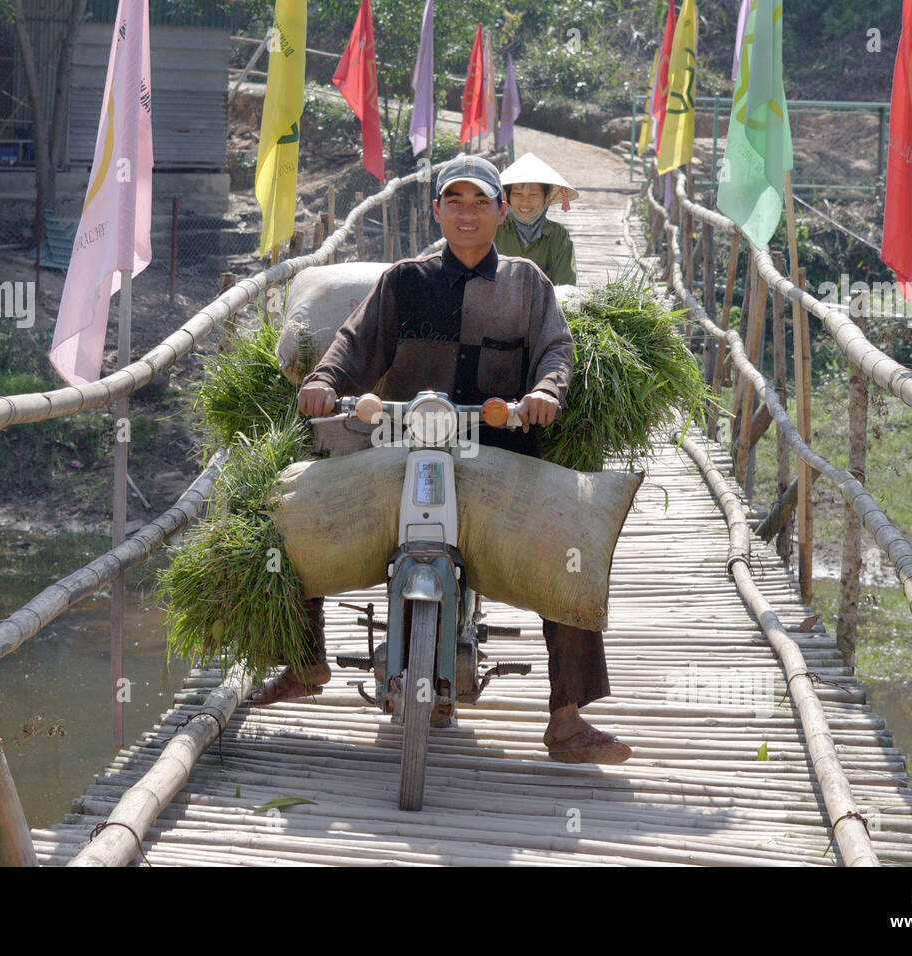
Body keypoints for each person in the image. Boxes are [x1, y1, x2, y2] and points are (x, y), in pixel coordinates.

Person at [247, 154, 630, 766]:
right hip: (402, 451)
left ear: (501, 212)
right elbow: (351, 346)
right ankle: (305, 659)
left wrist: (542, 395)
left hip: (496, 460)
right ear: (437, 212)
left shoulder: (528, 285)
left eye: (481, 202)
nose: (468, 214)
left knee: (571, 542)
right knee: (292, 511)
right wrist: (322, 382)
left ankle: (566, 719)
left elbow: (557, 352)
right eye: (455, 202)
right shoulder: (404, 280)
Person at [492, 153, 579, 287]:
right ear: (507, 197)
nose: (524, 201)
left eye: (533, 194)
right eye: (517, 194)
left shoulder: (558, 235)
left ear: (546, 198)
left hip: (545, 307)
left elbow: (566, 286)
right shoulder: (494, 229)